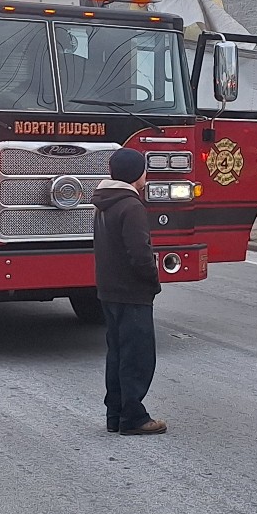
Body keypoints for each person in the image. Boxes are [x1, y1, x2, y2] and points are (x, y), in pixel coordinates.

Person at [93, 147, 166, 435]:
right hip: (132, 291)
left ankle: (115, 414)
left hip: (109, 289)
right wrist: (152, 281)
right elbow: (140, 253)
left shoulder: (104, 202)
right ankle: (134, 418)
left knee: (117, 355)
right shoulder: (131, 206)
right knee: (137, 357)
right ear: (136, 174)